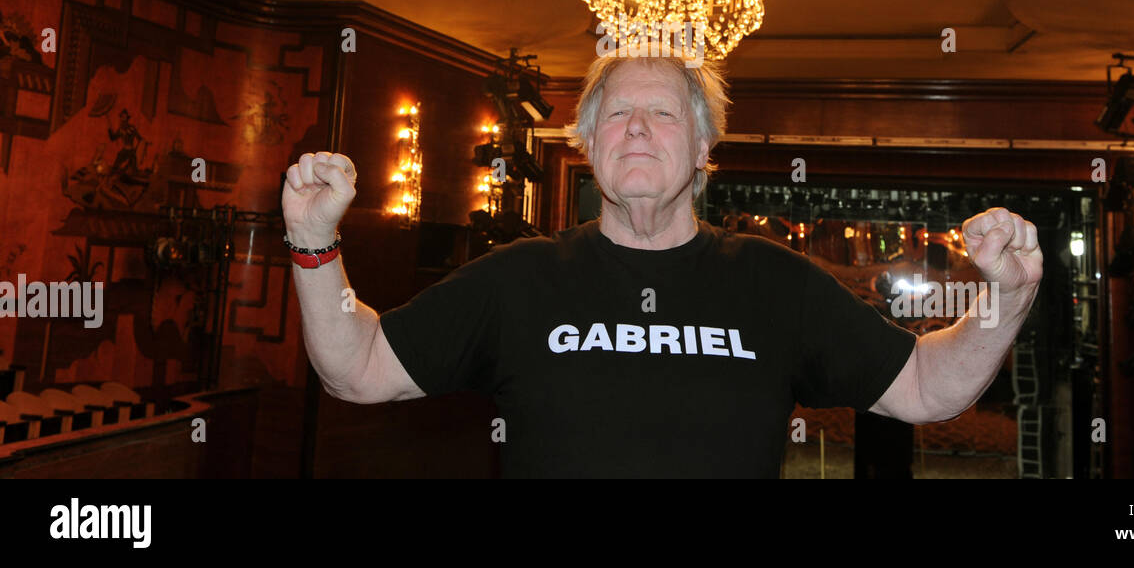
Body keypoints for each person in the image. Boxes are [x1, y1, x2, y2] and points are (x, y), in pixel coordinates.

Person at [283, 53, 1042, 477]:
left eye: (663, 113)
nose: (637, 127)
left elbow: (923, 386)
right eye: (616, 112)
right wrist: (314, 245)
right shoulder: (518, 278)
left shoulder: (774, 282)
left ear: (703, 150)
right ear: (588, 143)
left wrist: (1005, 298)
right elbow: (360, 367)